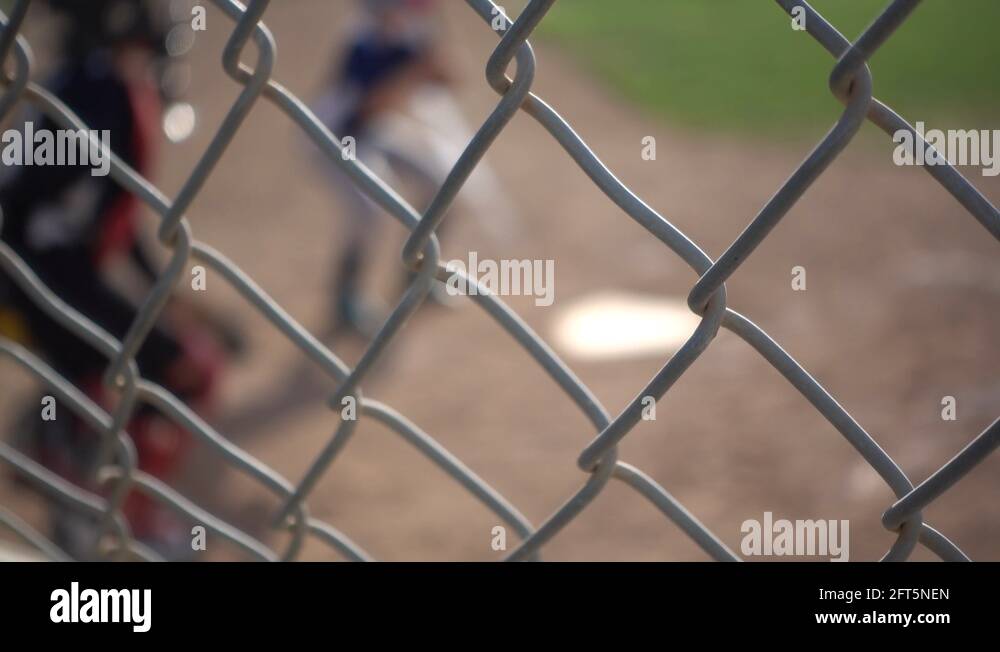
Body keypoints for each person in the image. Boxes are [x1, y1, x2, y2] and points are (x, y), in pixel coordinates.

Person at [0, 0, 228, 559]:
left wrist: (164, 298)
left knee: (153, 355)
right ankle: (116, 510)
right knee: (185, 367)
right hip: (33, 280)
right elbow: (67, 225)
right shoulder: (106, 93)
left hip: (34, 273)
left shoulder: (75, 81)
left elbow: (108, 225)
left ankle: (63, 441)